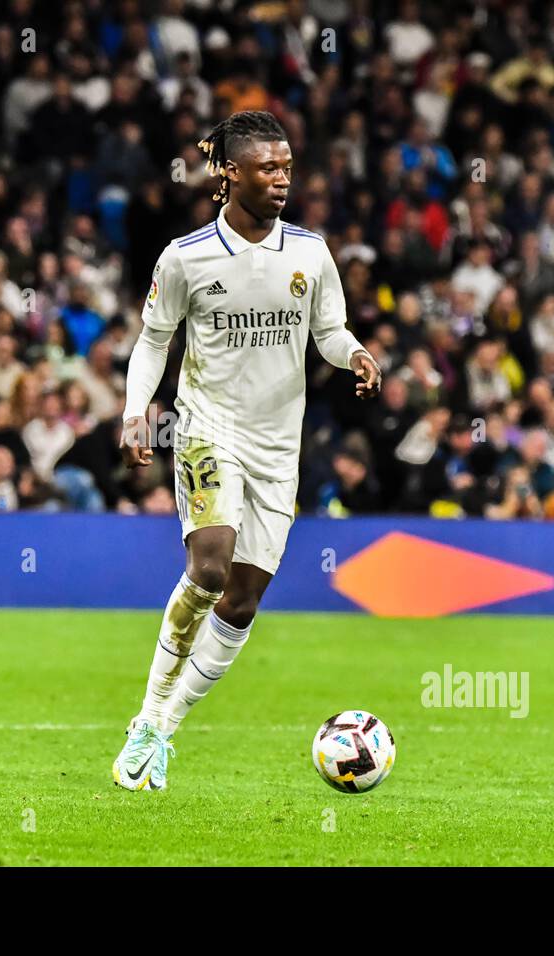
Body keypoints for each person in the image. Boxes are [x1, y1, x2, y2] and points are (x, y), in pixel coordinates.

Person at [111, 110, 381, 790]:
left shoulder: (310, 253)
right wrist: (135, 410)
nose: (282, 178)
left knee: (240, 601)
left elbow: (328, 330)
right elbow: (153, 339)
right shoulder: (185, 256)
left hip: (276, 448)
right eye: (268, 167)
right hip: (208, 428)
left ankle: (163, 730)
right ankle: (148, 717)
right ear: (230, 173)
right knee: (208, 568)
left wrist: (354, 355)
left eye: (288, 166)